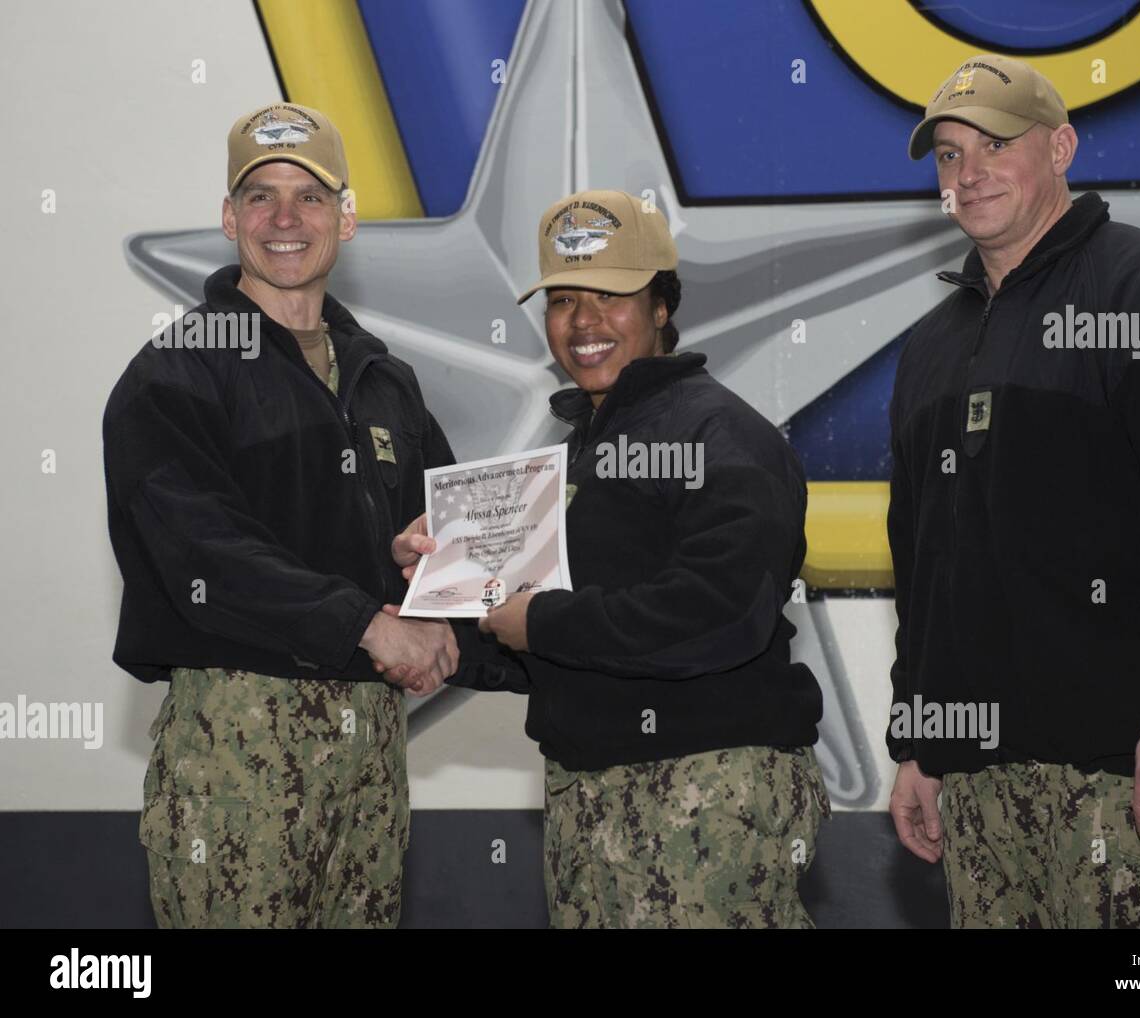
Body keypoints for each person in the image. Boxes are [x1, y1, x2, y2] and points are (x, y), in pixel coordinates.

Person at [886, 55, 1140, 928]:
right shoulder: (929, 349)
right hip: (977, 788)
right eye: (950, 155)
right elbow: (922, 568)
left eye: (997, 144)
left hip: (1133, 783)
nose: (969, 172)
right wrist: (920, 740)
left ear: (1062, 148)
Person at [394, 189, 831, 928]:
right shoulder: (575, 458)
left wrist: (542, 622)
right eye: (564, 299)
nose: (584, 321)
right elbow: (558, 642)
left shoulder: (721, 435)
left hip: (705, 790)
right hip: (588, 793)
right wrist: (441, 613)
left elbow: (720, 614)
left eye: (612, 295)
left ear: (662, 305)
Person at [103, 103, 472, 928]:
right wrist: (367, 625)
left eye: (309, 196)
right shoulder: (178, 374)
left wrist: (432, 582)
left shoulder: (383, 380)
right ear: (229, 218)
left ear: (346, 218)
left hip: (372, 749)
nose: (284, 219)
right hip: (239, 747)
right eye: (260, 196)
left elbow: (444, 530)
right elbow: (203, 553)